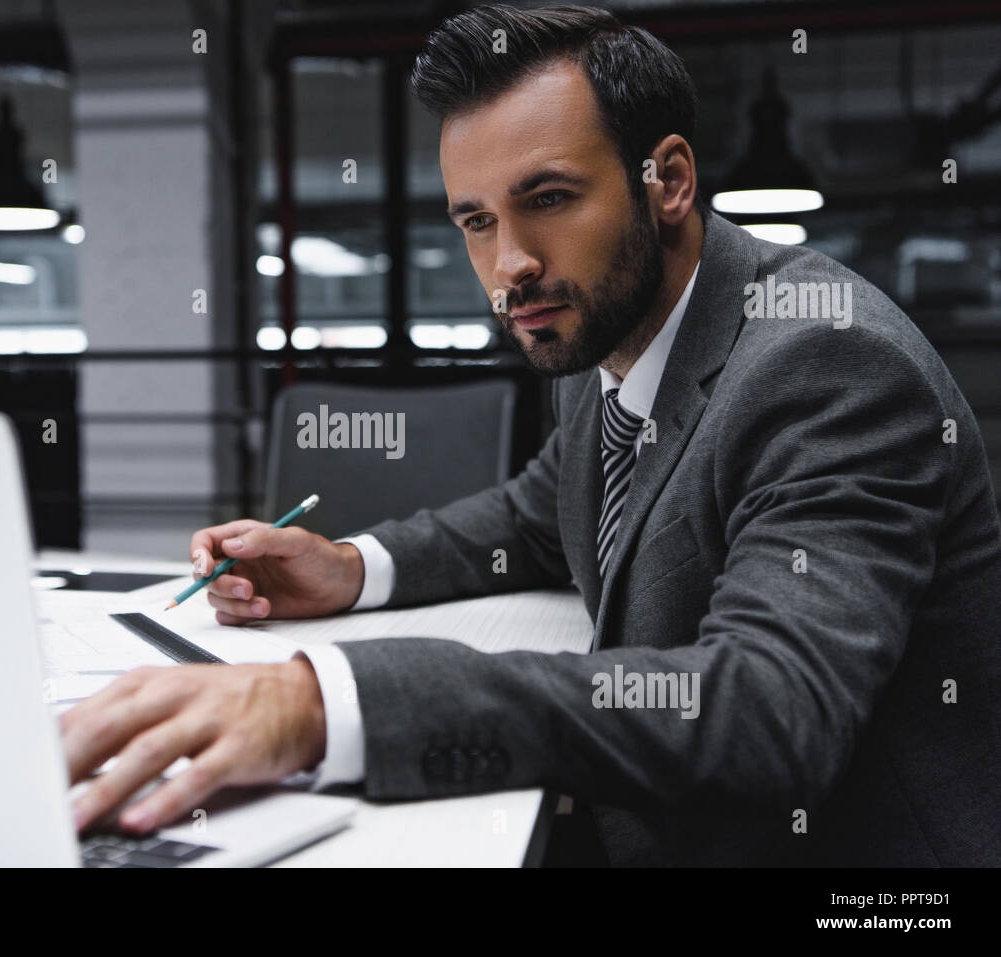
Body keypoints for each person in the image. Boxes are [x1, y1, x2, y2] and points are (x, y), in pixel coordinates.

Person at [61, 4, 1001, 866]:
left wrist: (329, 702)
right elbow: (542, 513)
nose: (509, 266)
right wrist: (351, 566)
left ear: (667, 179)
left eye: (547, 198)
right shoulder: (607, 333)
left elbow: (769, 710)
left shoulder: (826, 364)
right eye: (476, 220)